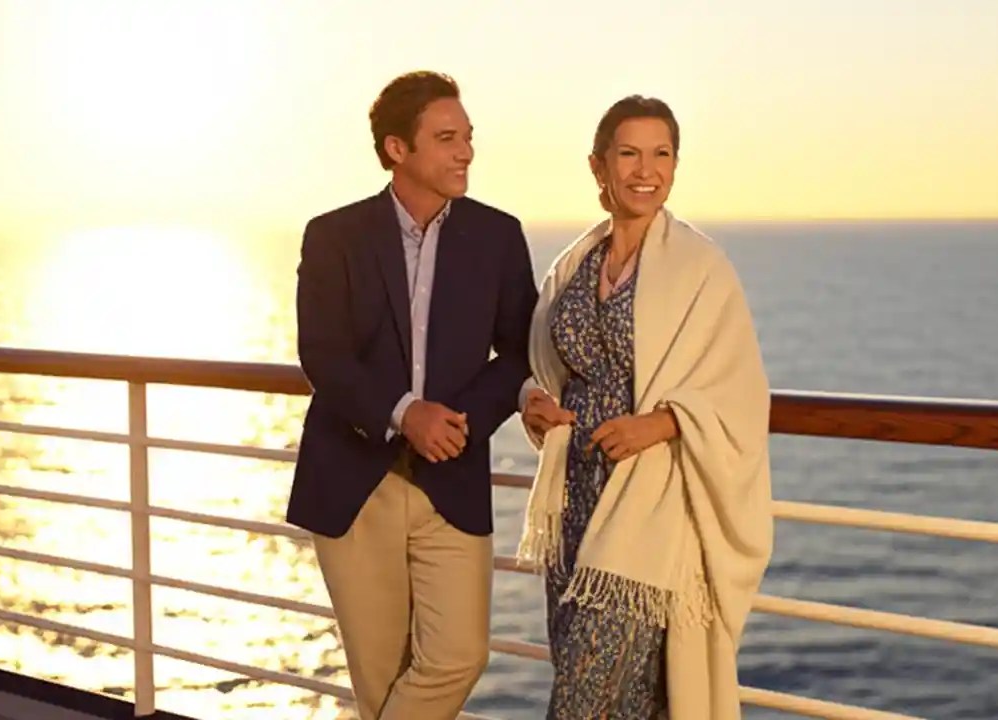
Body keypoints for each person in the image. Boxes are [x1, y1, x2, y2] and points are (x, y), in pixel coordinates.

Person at [286, 70, 538, 720]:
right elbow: (324, 352)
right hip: (354, 483)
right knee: (380, 680)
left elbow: (520, 350)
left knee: (459, 654)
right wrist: (404, 413)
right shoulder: (333, 236)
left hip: (451, 479)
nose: (466, 152)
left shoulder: (498, 236)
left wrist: (458, 422)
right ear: (398, 149)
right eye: (447, 138)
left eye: (469, 137)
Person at [516, 96, 774, 719]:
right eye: (628, 153)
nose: (645, 169)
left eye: (661, 154)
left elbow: (741, 391)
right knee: (622, 699)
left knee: (583, 699)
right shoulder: (575, 262)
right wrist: (531, 401)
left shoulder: (701, 268)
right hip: (575, 498)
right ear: (598, 165)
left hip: (649, 503)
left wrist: (660, 424)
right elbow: (542, 363)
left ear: (676, 166)